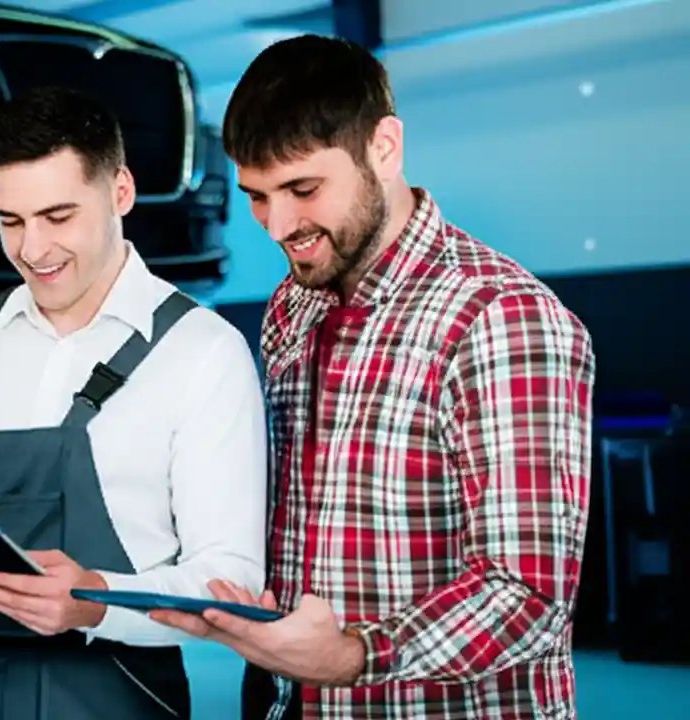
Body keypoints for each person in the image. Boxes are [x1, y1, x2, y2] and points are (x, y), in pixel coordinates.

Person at [149, 34, 596, 719]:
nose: (278, 226)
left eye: (303, 189)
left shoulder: (499, 317)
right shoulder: (291, 307)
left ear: (384, 148)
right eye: (258, 196)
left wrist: (355, 655)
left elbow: (529, 594)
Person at [0, 85, 269, 719]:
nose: (32, 250)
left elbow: (231, 583)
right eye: (11, 221)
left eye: (58, 217)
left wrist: (99, 600)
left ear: (120, 191)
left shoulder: (201, 352)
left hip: (111, 696)